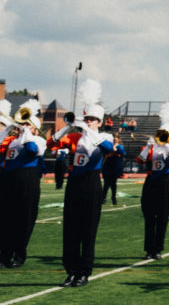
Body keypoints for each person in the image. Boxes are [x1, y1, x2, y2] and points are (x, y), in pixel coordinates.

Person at [48, 81, 114, 288]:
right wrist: (68, 126)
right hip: (74, 184)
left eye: (92, 119)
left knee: (87, 231)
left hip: (92, 185)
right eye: (87, 118)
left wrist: (90, 131)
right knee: (70, 230)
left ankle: (84, 272)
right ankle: (71, 270)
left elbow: (109, 148)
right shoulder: (75, 136)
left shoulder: (103, 136)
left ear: (99, 122)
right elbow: (52, 143)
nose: (88, 121)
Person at [0, 99, 45, 268]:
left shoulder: (38, 140)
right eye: (23, 123)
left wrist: (26, 132)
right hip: (9, 179)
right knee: (6, 218)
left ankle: (19, 254)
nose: (23, 126)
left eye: (27, 124)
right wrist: (8, 128)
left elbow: (32, 150)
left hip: (27, 180)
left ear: (34, 128)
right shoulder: (12, 140)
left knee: (24, 219)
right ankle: (4, 254)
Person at [137, 101, 169, 261]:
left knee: (162, 217)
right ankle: (149, 249)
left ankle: (158, 249)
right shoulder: (152, 146)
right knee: (149, 216)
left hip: (167, 182)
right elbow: (140, 161)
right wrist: (148, 147)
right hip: (151, 181)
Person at [100, 134, 125, 205]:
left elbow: (122, 152)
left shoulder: (120, 146)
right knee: (106, 183)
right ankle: (103, 198)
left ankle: (113, 198)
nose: (115, 139)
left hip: (115, 167)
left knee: (113, 184)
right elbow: (104, 153)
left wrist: (115, 148)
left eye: (116, 137)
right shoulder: (108, 146)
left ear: (119, 139)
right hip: (107, 167)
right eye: (114, 137)